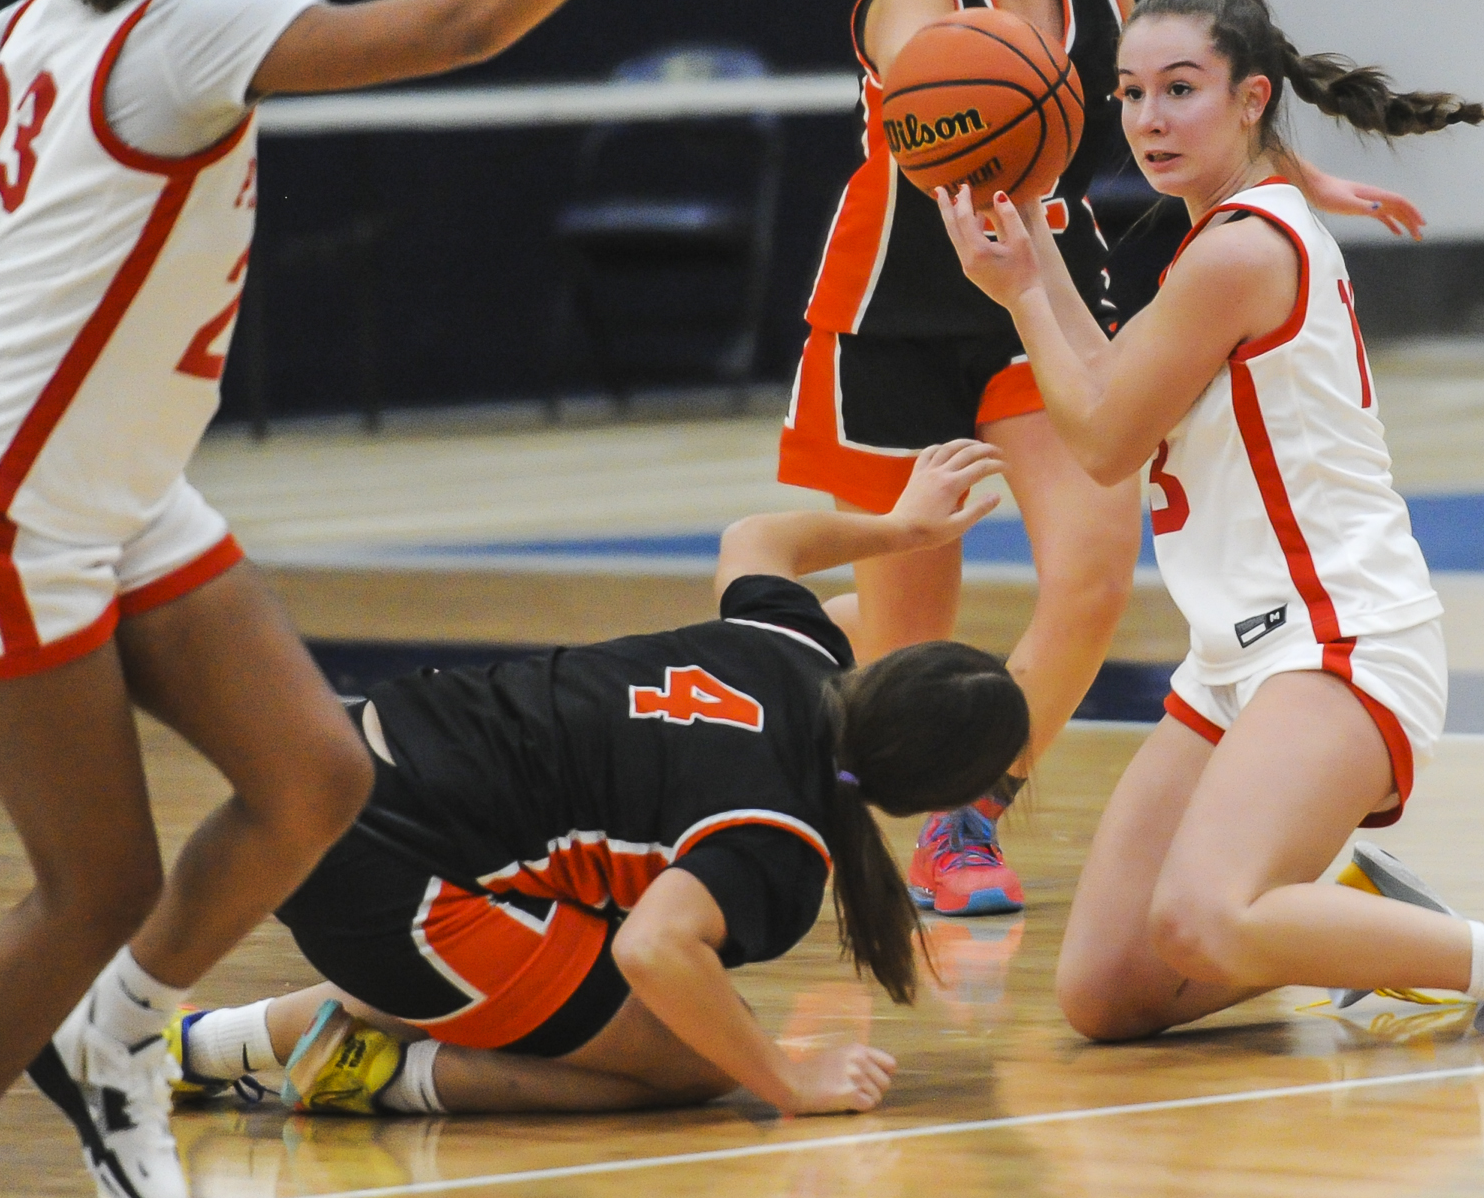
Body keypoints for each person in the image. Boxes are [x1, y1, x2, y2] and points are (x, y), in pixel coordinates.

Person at [0, 0, 830, 1198]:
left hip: (108, 480)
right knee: (100, 886)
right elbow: (464, 22)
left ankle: (116, 1046)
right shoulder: (197, 30)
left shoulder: (47, 18)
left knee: (315, 777)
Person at [935, 0, 1484, 1040]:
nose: (1147, 117)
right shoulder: (1209, 244)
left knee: (1202, 916)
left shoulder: (1238, 250)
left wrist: (1017, 296)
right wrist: (1037, 270)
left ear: (1251, 99)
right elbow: (1108, 395)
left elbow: (1096, 444)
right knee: (1106, 992)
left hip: (1338, 639)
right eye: (1129, 93)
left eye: (1179, 88)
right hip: (1234, 655)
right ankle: (1358, 922)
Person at [778, 0, 1429, 920]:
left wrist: (1307, 180)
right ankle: (790, 688)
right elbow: (934, 99)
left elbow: (1184, 80)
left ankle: (970, 813)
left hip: (1042, 293)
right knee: (898, 646)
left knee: (1089, 574)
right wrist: (973, 109)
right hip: (900, 321)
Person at [165, 443, 1029, 1119]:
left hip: (335, 764)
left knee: (542, 963)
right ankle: (394, 1082)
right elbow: (652, 949)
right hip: (393, 880)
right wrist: (786, 1082)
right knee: (699, 1060)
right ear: (926, 797)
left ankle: (196, 1047)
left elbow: (755, 539)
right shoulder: (783, 838)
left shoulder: (792, 644)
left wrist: (902, 532)